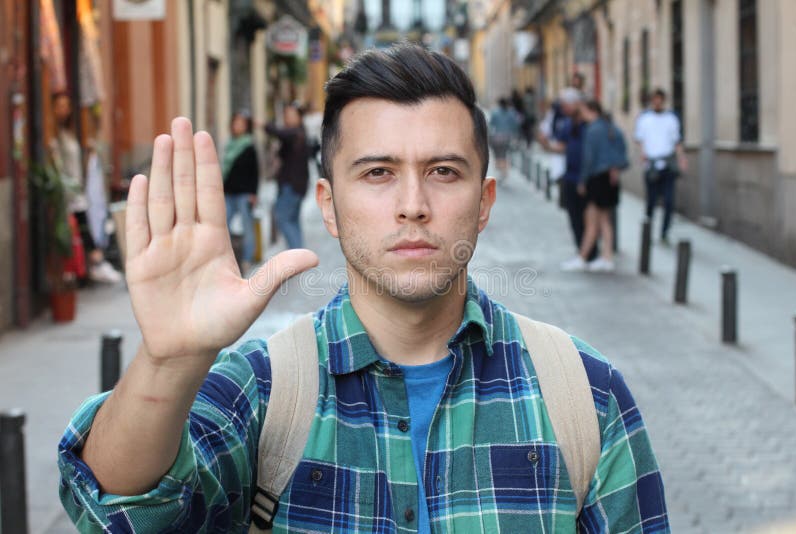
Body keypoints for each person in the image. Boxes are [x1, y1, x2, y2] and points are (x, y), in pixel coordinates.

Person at [58, 44, 669, 532]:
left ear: (483, 203)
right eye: (378, 173)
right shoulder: (265, 392)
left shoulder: (585, 397)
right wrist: (168, 361)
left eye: (443, 172)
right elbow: (119, 510)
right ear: (329, 205)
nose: (413, 206)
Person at [50, 92, 121, 284]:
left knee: (83, 227)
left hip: (78, 188)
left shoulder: (69, 132)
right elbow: (57, 164)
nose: (64, 110)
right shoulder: (54, 135)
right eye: (59, 105)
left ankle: (93, 264)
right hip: (67, 193)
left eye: (66, 105)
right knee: (82, 227)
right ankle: (95, 263)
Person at [561, 101, 628, 272]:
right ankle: (607, 257)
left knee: (591, 219)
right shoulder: (611, 127)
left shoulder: (592, 130)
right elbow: (622, 152)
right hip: (609, 179)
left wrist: (582, 181)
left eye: (583, 110)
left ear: (591, 110)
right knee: (605, 220)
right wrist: (615, 167)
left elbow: (588, 159)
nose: (581, 115)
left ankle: (583, 257)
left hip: (596, 179)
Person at [542, 88, 597, 263]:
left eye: (566, 105)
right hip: (570, 177)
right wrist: (547, 146)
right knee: (574, 216)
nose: (563, 108)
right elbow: (563, 145)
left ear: (576, 104)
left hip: (588, 178)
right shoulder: (568, 124)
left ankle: (590, 254)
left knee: (589, 218)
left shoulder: (589, 124)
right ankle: (582, 251)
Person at [634, 88, 687, 244]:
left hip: (668, 163)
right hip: (651, 163)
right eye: (655, 99)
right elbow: (640, 139)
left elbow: (677, 141)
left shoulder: (671, 118)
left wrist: (681, 158)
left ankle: (664, 232)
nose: (657, 102)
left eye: (660, 99)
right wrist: (643, 156)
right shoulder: (644, 118)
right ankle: (648, 230)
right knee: (651, 200)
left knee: (669, 200)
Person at [265, 102, 309, 249]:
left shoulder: (297, 133)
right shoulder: (297, 133)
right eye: (286, 115)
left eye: (291, 115)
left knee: (283, 218)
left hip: (292, 186)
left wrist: (265, 125)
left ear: (299, 117)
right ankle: (299, 255)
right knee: (293, 220)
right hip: (294, 185)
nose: (287, 118)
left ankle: (296, 256)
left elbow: (279, 133)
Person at [222, 111, 259, 274]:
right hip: (229, 193)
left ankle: (246, 259)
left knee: (247, 226)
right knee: (223, 225)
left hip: (244, 193)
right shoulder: (229, 144)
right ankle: (227, 256)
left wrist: (253, 193)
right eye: (236, 122)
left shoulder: (249, 145)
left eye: (241, 123)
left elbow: (255, 172)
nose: (238, 126)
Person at [488, 97, 520, 181]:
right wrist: (515, 136)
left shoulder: (495, 113)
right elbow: (515, 126)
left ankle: (500, 170)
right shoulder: (511, 113)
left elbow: (491, 124)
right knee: (504, 155)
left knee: (497, 155)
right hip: (507, 138)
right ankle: (503, 171)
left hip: (496, 138)